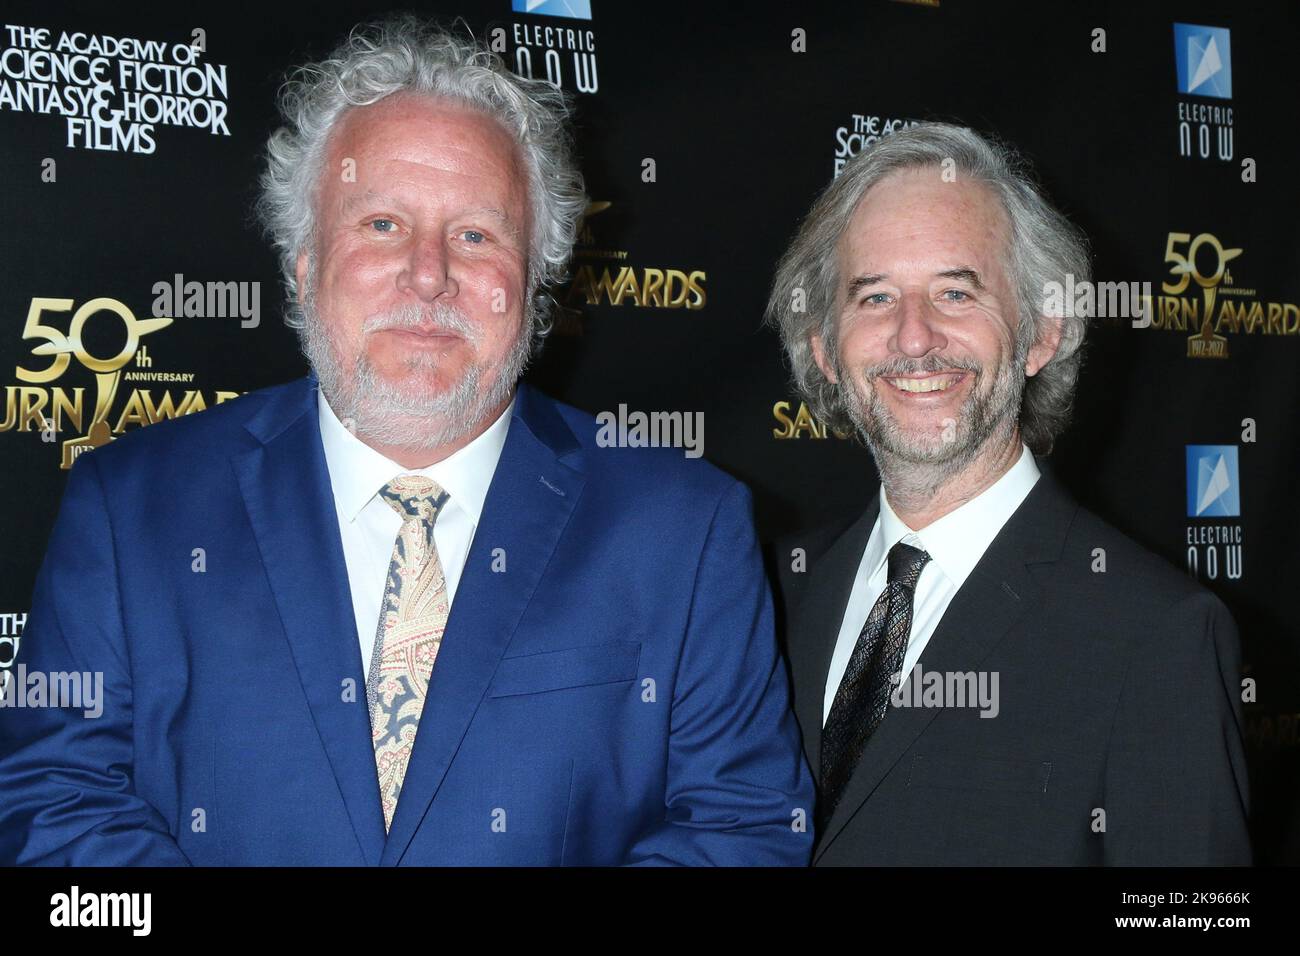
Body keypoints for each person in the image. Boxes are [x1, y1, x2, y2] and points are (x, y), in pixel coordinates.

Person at [0, 17, 813, 866]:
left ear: (536, 282)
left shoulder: (685, 529)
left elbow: (743, 828)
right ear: (305, 263)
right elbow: (52, 806)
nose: (430, 275)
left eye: (476, 234)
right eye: (382, 223)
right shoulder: (132, 508)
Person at [766, 122, 1250, 865]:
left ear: (1041, 332)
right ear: (826, 349)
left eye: (957, 292)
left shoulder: (1157, 636)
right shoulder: (764, 592)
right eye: (874, 297)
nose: (914, 336)